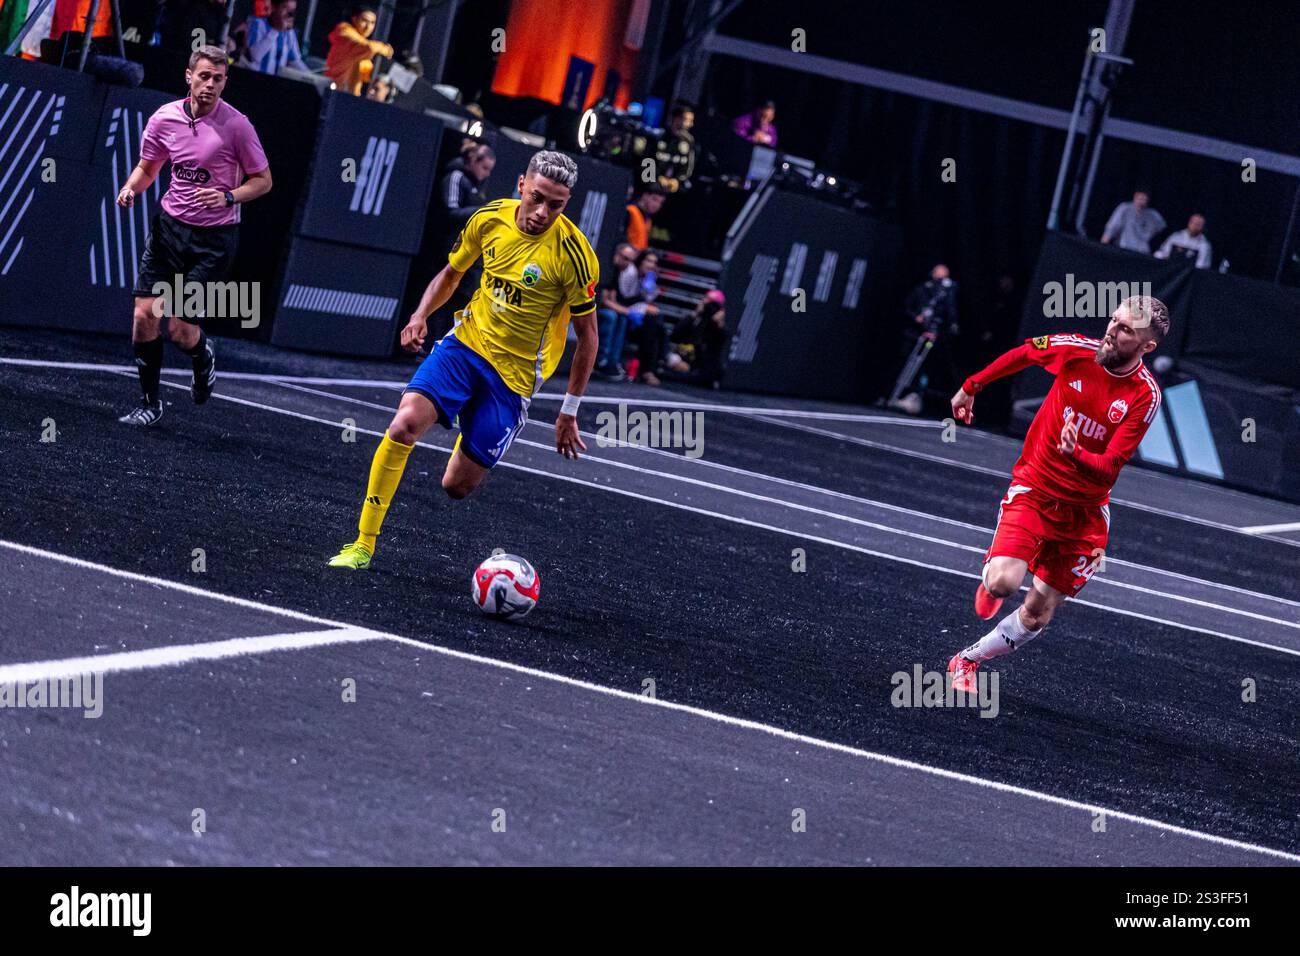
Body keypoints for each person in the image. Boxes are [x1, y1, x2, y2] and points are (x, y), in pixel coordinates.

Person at [327, 151, 600, 570]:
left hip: (515, 377)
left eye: (557, 205)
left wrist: (569, 411)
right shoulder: (489, 218)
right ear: (522, 186)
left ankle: (470, 418)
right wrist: (420, 316)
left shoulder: (574, 255)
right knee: (403, 426)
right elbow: (451, 274)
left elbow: (588, 338)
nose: (543, 212)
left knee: (457, 486)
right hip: (466, 345)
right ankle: (363, 545)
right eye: (538, 198)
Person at [945, 296, 1169, 691]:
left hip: (1084, 514)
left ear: (1147, 347)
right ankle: (992, 575)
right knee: (1003, 585)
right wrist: (970, 386)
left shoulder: (1145, 396)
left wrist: (1075, 452)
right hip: (1035, 488)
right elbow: (1023, 354)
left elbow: (1110, 466)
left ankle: (967, 659)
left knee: (1037, 614)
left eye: (1125, 331)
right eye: (1113, 321)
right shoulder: (1076, 351)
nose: (1112, 332)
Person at [114, 45, 273, 426]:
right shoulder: (164, 118)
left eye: (218, 79)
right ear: (189, 77)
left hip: (213, 241)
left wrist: (228, 196)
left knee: (182, 331)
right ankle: (150, 403)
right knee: (143, 316)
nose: (211, 85)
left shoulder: (237, 126)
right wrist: (131, 187)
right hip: (169, 229)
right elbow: (148, 168)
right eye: (204, 76)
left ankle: (203, 356)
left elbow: (264, 181)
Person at [664, 289, 728, 389]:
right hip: (684, 357)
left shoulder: (716, 325)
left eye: (711, 302)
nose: (706, 303)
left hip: (700, 364)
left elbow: (718, 345)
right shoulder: (695, 318)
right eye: (706, 299)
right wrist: (694, 314)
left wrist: (719, 324)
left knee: (711, 372)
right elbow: (675, 334)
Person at [594, 242, 639, 380]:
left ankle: (613, 362)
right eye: (624, 258)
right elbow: (604, 301)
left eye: (630, 260)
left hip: (601, 307)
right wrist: (628, 311)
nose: (626, 263)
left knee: (621, 318)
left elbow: (612, 299)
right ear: (617, 254)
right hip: (590, 307)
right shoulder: (605, 267)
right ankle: (601, 360)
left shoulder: (616, 272)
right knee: (611, 316)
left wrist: (626, 312)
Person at [325, 5, 393, 96]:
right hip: (330, 91)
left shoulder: (363, 43)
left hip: (347, 96)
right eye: (364, 21)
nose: (368, 27)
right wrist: (386, 49)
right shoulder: (345, 31)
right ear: (354, 19)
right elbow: (369, 47)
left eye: (372, 23)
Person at [239, 0, 310, 75]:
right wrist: (275, 30)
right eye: (285, 7)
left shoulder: (289, 33)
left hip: (276, 81)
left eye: (292, 10)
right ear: (274, 7)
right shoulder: (258, 23)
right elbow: (254, 56)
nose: (289, 14)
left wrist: (311, 76)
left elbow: (295, 61)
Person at [1101, 189, 1166, 254]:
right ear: (1135, 197)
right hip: (1123, 247)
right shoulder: (1125, 208)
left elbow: (1161, 226)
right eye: (1140, 199)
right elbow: (1112, 228)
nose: (1141, 202)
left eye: (1144, 200)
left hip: (1142, 251)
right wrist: (1103, 247)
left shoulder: (1152, 214)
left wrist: (1149, 234)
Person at [625, 185, 665, 252]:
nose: (657, 205)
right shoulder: (630, 210)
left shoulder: (648, 220)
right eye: (654, 199)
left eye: (660, 203)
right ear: (645, 195)